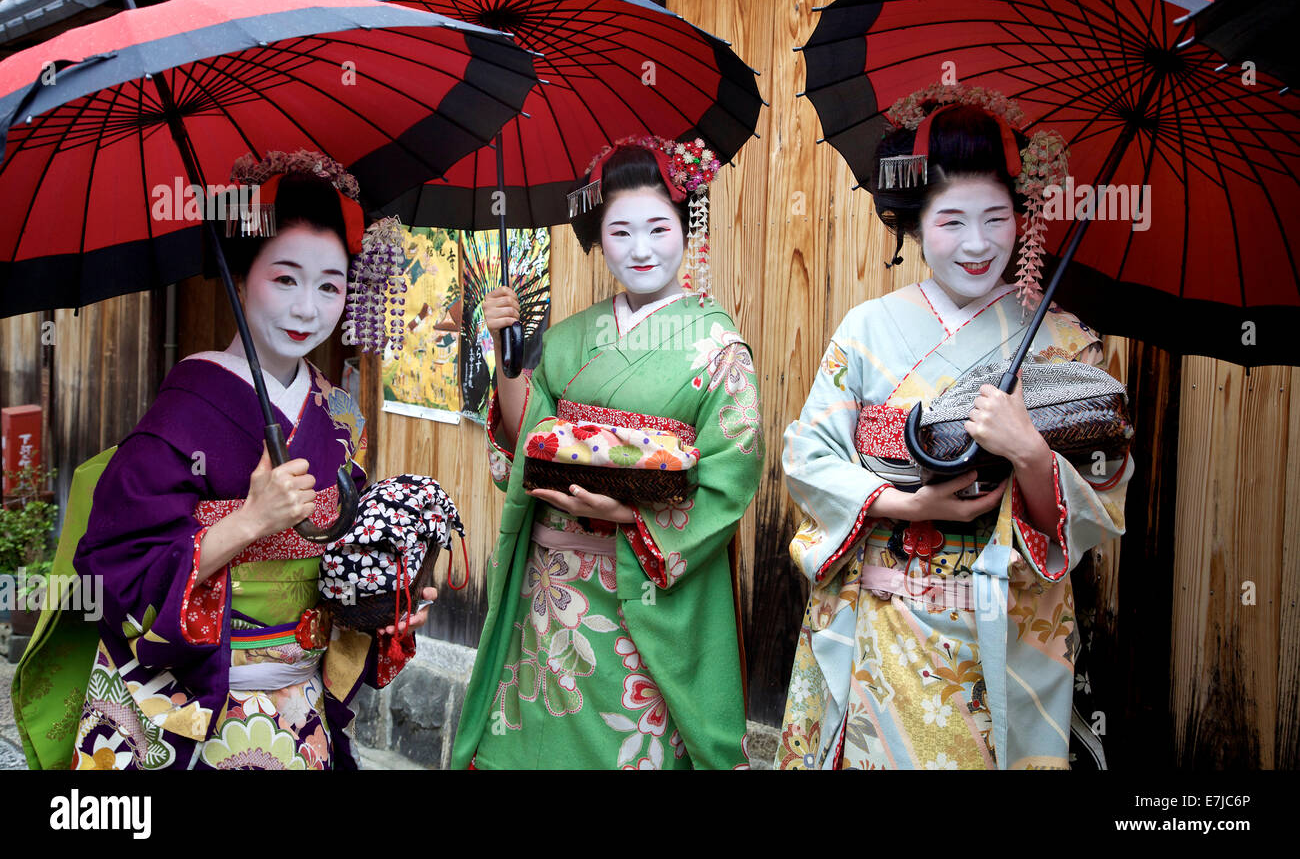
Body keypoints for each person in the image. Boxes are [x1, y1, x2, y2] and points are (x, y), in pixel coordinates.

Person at [777, 87, 1133, 770]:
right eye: (951, 221)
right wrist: (907, 502)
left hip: (1003, 628)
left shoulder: (1065, 340)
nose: (977, 244)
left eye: (997, 217)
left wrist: (1030, 451)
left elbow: (1102, 486)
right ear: (914, 223)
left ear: (1022, 217)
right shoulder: (868, 328)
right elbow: (808, 456)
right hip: (880, 621)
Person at [66, 151, 435, 770]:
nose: (307, 308)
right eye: (284, 278)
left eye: (330, 285)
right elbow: (107, 574)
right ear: (241, 277)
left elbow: (341, 572)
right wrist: (248, 523)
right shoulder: (182, 417)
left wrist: (386, 592)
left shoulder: (336, 416)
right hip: (193, 706)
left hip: (301, 707)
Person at [452, 137, 764, 769]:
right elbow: (524, 442)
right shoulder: (569, 340)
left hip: (643, 594)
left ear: (686, 227)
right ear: (599, 236)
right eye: (620, 231)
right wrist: (505, 345)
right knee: (540, 742)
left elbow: (730, 480)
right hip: (553, 593)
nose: (641, 249)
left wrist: (631, 517)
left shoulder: (719, 349)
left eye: (658, 228)